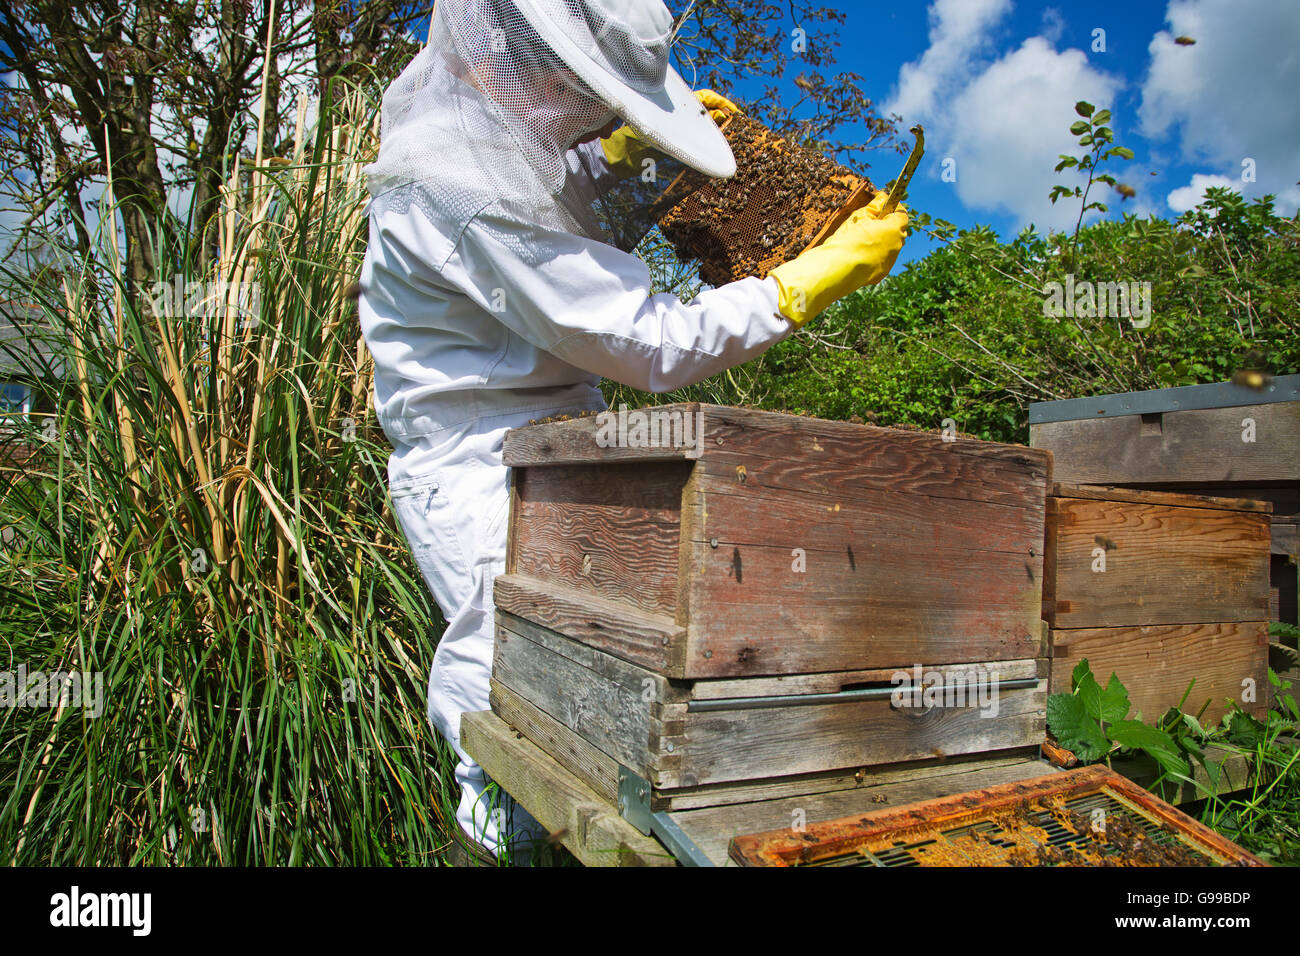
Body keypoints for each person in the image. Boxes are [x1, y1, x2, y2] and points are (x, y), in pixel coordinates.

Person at [358, 0, 909, 864]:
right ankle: (494, 844)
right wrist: (795, 287)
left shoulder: (484, 136)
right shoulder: (454, 182)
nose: (596, 108)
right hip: (473, 465)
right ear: (536, 62)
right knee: (506, 653)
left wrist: (625, 167)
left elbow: (553, 213)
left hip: (553, 444)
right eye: (590, 89)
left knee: (578, 652)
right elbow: (644, 343)